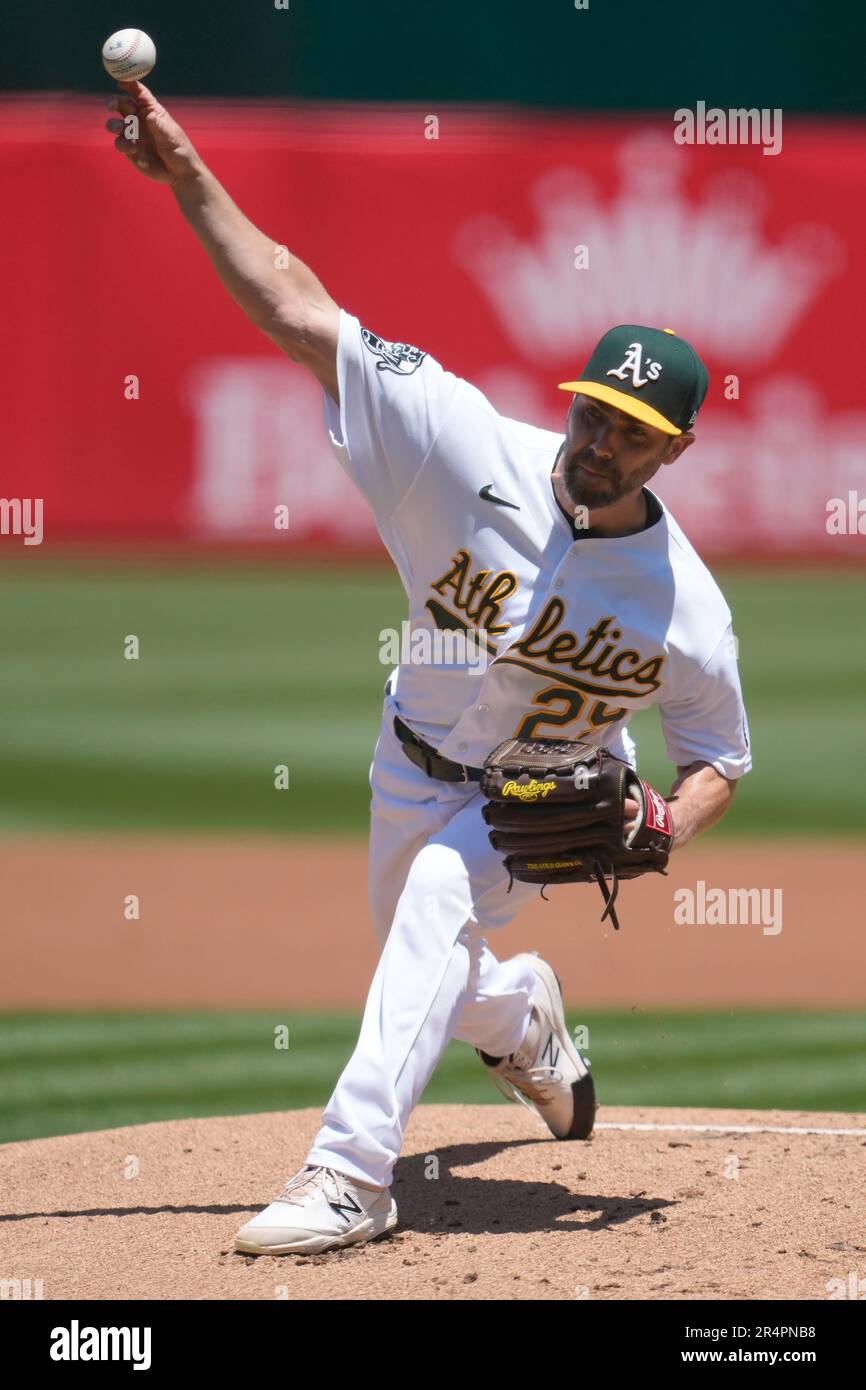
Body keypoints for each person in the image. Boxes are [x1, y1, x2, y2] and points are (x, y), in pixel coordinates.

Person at [107, 84, 752, 1257]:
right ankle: (526, 1023)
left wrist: (663, 820)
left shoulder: (685, 608)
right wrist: (190, 179)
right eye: (594, 414)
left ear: (677, 448)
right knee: (441, 969)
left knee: (437, 911)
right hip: (405, 762)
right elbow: (302, 309)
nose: (603, 442)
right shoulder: (460, 446)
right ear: (573, 402)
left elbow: (719, 756)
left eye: (633, 432)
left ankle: (351, 1176)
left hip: (525, 799)